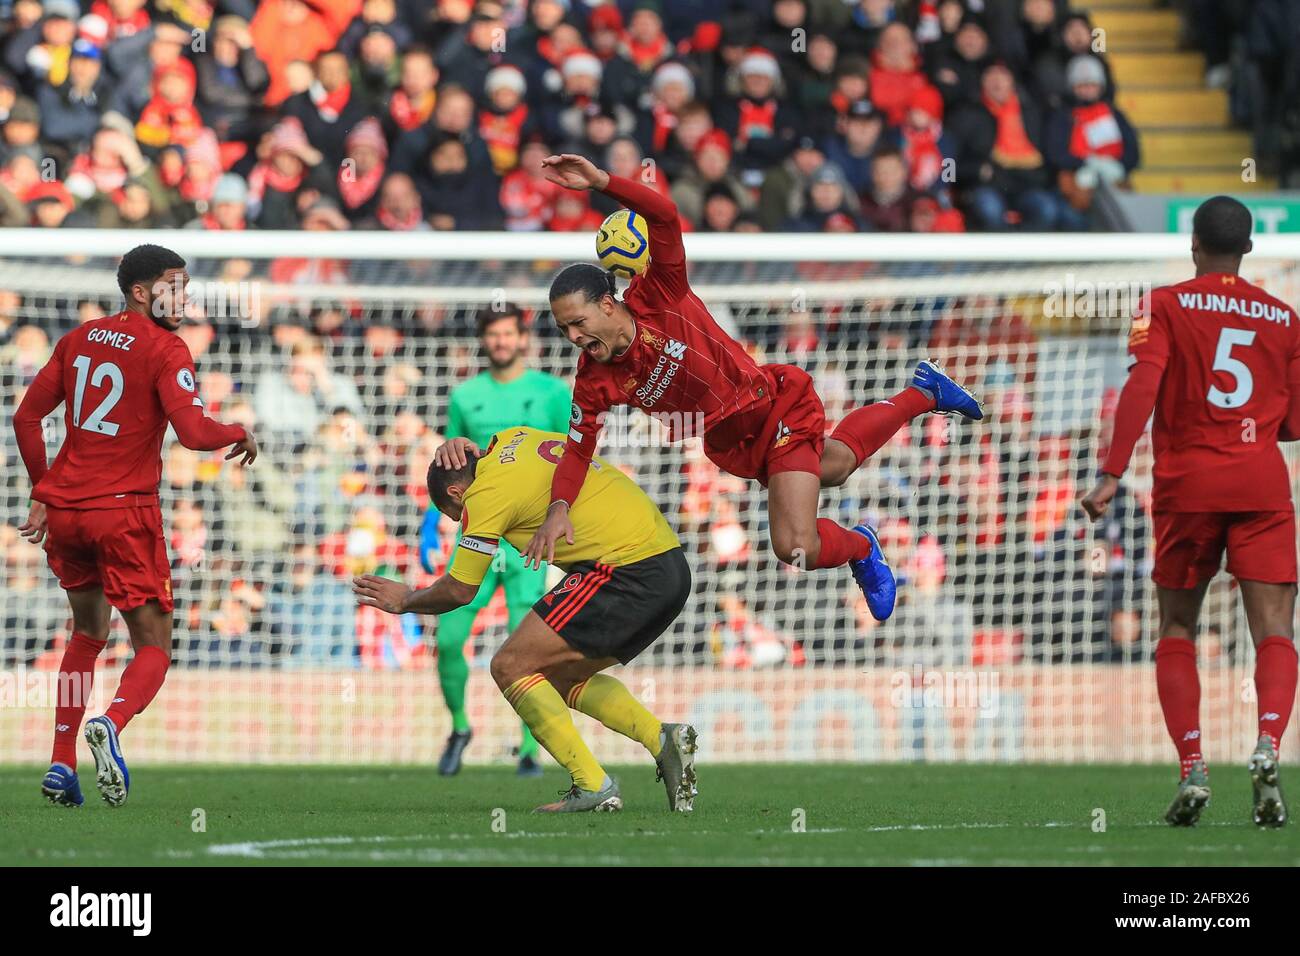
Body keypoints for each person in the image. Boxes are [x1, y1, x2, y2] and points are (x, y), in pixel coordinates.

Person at [440, 153, 983, 623]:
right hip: (730, 443)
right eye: (563, 330)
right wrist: (559, 505)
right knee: (835, 464)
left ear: (609, 302)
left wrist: (602, 180)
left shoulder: (661, 291)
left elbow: (666, 214)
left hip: (771, 405)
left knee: (794, 546)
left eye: (579, 322)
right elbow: (578, 449)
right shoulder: (593, 381)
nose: (574, 336)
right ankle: (924, 392)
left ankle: (863, 544)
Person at [1081, 196, 1300, 829]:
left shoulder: (1165, 304)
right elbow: (1295, 419)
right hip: (1262, 486)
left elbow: (1142, 386)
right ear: (1248, 249)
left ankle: (1194, 767)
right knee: (1275, 631)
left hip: (1187, 488)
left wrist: (1111, 473)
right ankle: (1266, 746)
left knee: (1177, 628)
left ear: (1194, 244)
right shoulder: (1284, 317)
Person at [12, 243, 258, 808]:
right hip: (123, 511)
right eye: (176, 284)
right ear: (142, 292)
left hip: (68, 514)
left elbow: (27, 417)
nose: (186, 295)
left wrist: (43, 488)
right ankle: (112, 722)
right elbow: (195, 434)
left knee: (87, 635)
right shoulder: (166, 348)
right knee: (154, 645)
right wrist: (237, 429)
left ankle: (60, 762)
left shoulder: (79, 339)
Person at [354, 426, 697, 813]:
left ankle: (593, 785)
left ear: (455, 494)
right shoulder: (514, 437)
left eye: (455, 515)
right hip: (668, 564)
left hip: (625, 571)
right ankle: (663, 740)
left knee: (510, 665)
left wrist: (406, 600)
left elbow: (460, 590)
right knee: (553, 673)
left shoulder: (483, 496)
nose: (460, 521)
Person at [431, 304, 572, 777]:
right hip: (475, 536)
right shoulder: (465, 396)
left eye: (509, 333)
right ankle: (459, 726)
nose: (501, 341)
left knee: (527, 644)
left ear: (522, 338)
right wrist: (433, 526)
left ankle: (530, 750)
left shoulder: (552, 392)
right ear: (484, 340)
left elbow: (565, 458)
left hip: (526, 538)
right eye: (493, 334)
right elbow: (448, 468)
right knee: (449, 636)